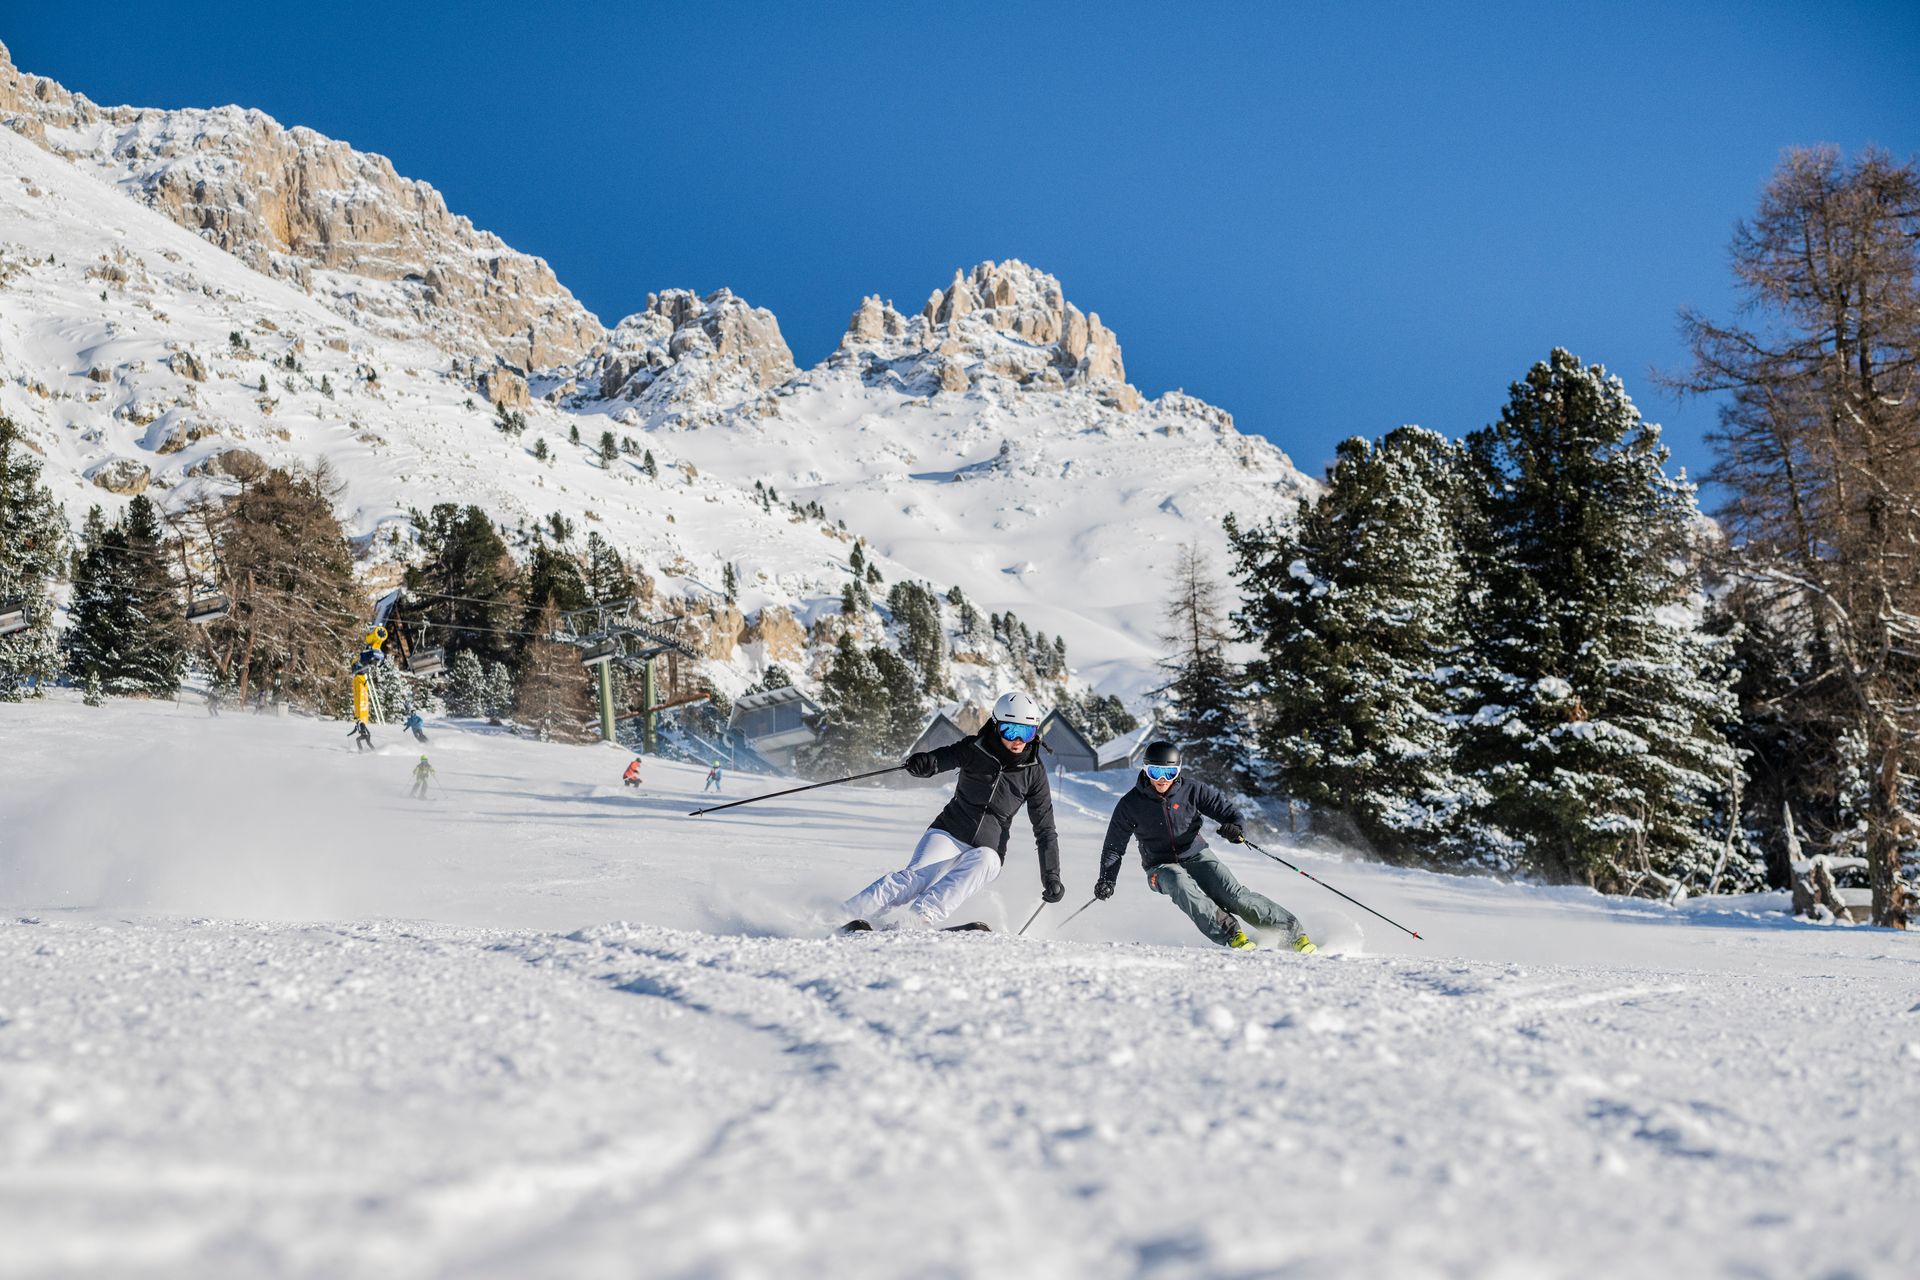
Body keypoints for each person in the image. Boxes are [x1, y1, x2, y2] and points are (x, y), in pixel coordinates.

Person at [840, 691, 1063, 931]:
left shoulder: (1034, 772)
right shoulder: (975, 748)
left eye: (1026, 733)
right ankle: (841, 915)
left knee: (986, 860)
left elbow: (1045, 829)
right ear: (997, 726)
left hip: (989, 847)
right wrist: (925, 763)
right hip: (949, 831)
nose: (1019, 740)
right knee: (916, 877)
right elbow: (944, 758)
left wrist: (1051, 875)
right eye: (1011, 731)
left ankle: (918, 919)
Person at [1096, 741, 1315, 953]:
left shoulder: (1192, 791)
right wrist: (1107, 879)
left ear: (1178, 772)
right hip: (1159, 866)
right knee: (1178, 882)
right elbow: (1114, 847)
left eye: (1169, 774)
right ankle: (1231, 934)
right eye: (1155, 773)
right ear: (1145, 771)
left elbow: (1229, 812)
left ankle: (1291, 934)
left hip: (1196, 854)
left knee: (1234, 896)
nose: (1162, 780)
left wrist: (1235, 828)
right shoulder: (1130, 804)